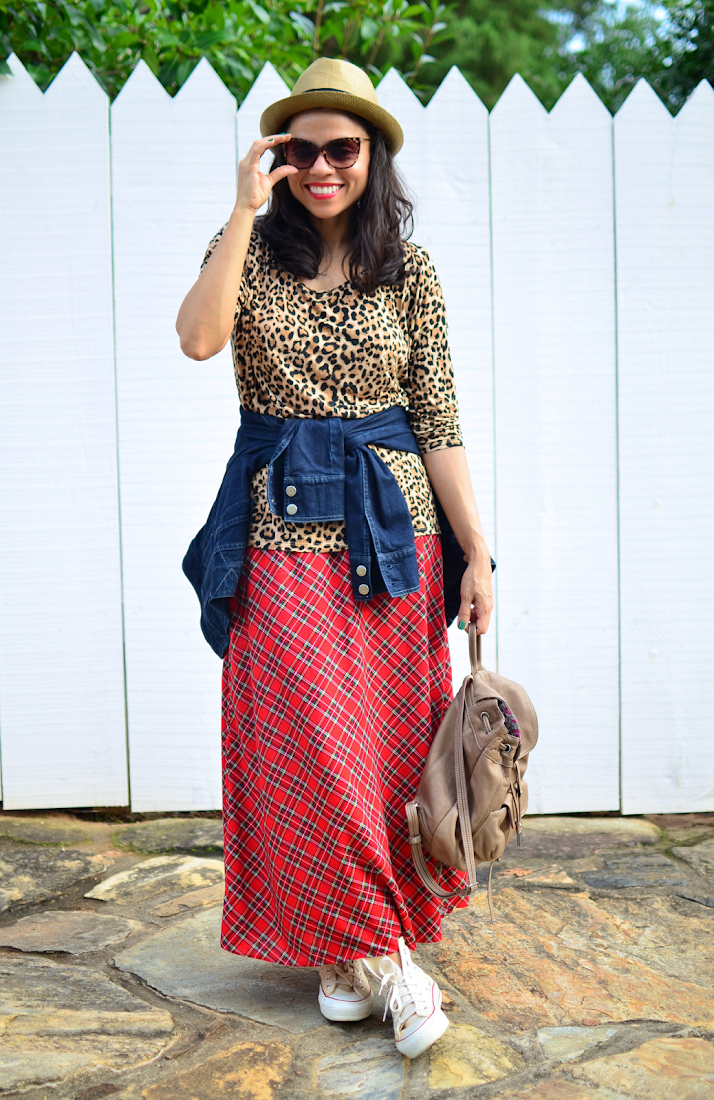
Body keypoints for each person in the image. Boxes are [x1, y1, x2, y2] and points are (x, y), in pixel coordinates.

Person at [176, 57, 493, 1060]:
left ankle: (341, 952)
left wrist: (477, 549)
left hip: (395, 539)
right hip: (279, 533)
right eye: (300, 148)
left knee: (383, 754)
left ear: (373, 155)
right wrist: (238, 209)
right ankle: (394, 966)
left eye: (340, 147)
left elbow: (436, 416)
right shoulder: (249, 252)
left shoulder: (411, 269)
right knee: (305, 747)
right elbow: (196, 337)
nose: (320, 165)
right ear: (278, 157)